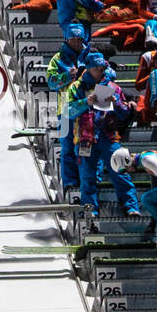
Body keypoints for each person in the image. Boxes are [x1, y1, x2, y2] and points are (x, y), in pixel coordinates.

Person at [66, 56, 140, 225]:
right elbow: (67, 111)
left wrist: (118, 104)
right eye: (97, 69)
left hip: (109, 136)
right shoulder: (76, 87)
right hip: (85, 138)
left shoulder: (113, 87)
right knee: (88, 177)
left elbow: (124, 114)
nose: (100, 72)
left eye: (102, 69)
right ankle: (91, 210)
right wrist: (86, 102)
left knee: (120, 170)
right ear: (89, 68)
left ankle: (131, 206)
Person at [47, 23, 89, 197]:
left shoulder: (90, 55)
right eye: (74, 39)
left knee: (87, 146)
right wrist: (68, 75)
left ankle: (88, 180)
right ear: (67, 39)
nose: (78, 43)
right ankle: (71, 183)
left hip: (87, 107)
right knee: (67, 147)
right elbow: (51, 82)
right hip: (65, 109)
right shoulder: (58, 58)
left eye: (80, 39)